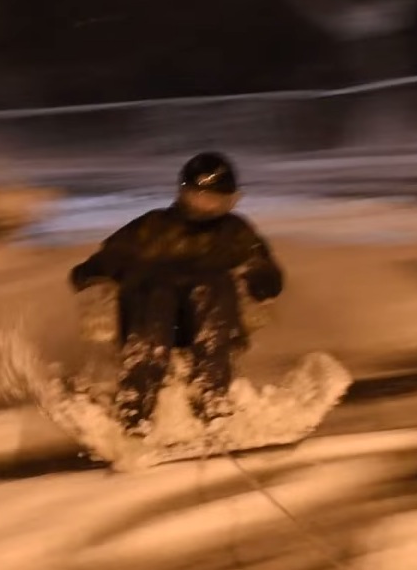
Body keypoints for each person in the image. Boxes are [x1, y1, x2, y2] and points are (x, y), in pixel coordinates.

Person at [68, 151, 284, 435]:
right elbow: (101, 264)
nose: (206, 207)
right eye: (200, 197)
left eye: (215, 200)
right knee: (155, 287)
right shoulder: (151, 229)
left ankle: (211, 397)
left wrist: (258, 276)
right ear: (184, 193)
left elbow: (268, 278)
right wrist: (93, 277)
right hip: (151, 323)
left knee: (212, 285)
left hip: (208, 327)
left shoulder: (235, 234)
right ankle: (136, 405)